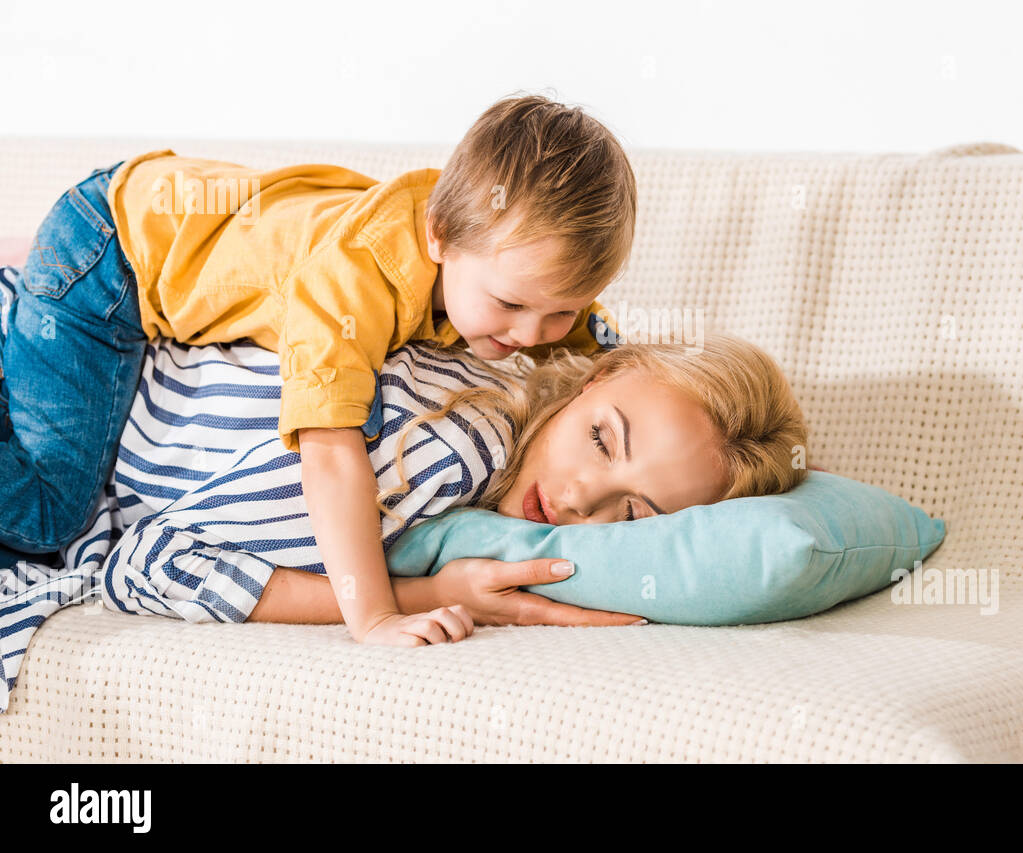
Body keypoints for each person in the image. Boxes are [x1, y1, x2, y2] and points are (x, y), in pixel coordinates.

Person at [0, 93, 637, 649]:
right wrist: (376, 613)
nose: (531, 335)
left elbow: (608, 351)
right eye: (510, 305)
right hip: (107, 265)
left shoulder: (496, 252)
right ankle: (33, 277)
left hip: (159, 214)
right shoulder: (350, 289)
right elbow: (330, 450)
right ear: (439, 238)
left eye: (561, 311)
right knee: (50, 515)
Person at [99, 331, 809, 647]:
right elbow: (148, 565)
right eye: (601, 438)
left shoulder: (516, 400)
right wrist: (425, 597)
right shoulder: (450, 445)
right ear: (599, 373)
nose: (577, 498)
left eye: (631, 513)